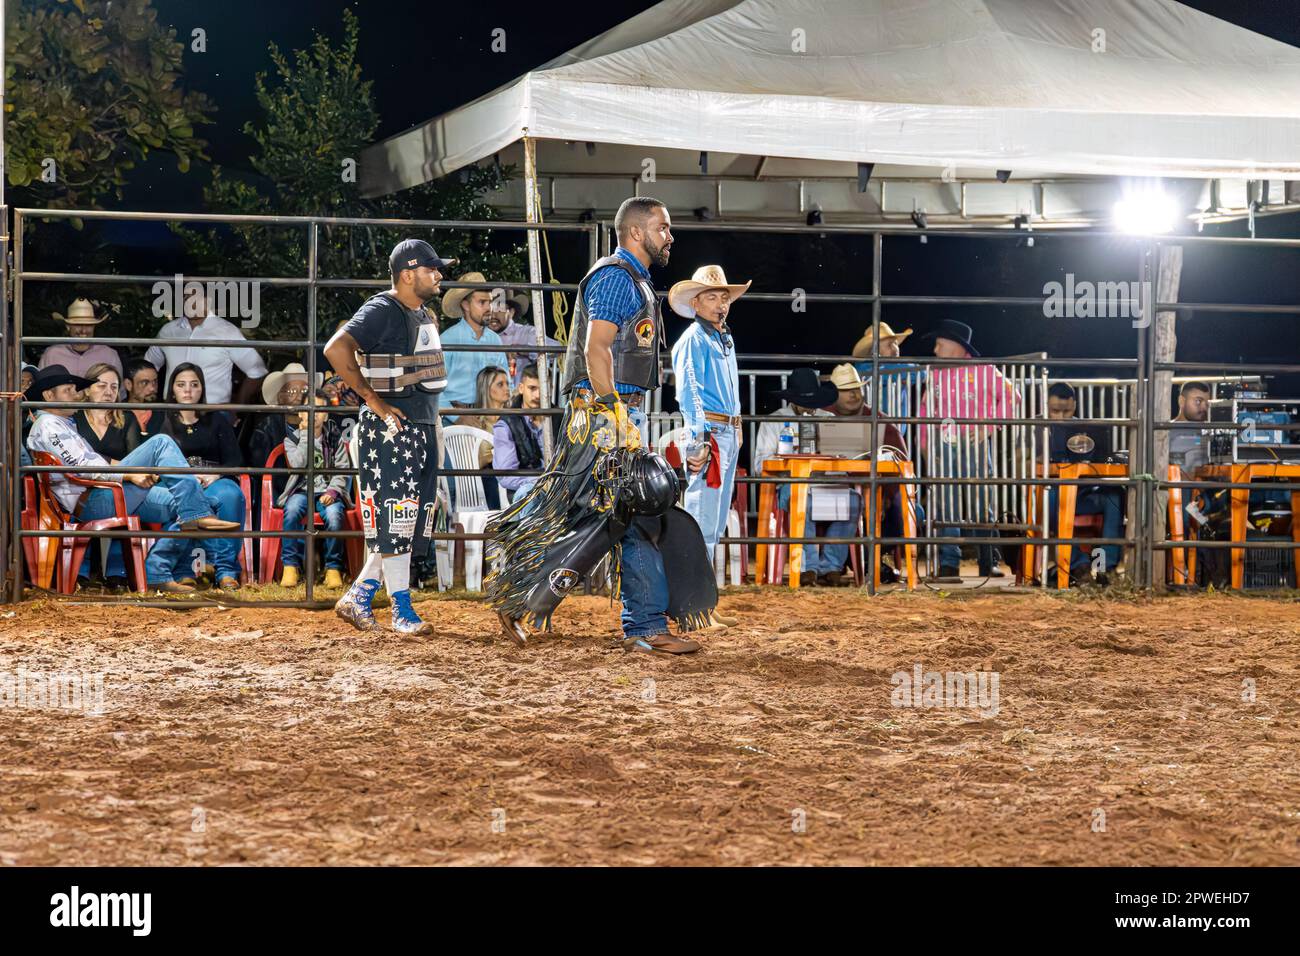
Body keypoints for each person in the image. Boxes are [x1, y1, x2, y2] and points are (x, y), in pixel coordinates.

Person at [487, 196, 718, 654]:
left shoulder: (632, 280)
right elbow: (598, 348)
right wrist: (613, 411)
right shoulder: (616, 278)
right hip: (604, 410)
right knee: (626, 505)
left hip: (608, 409)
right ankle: (640, 624)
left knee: (615, 508)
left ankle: (635, 622)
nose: (670, 236)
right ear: (637, 232)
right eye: (663, 227)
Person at [324, 237, 457, 636]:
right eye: (431, 269)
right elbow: (336, 348)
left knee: (409, 519)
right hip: (393, 430)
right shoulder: (383, 308)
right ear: (406, 274)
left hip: (418, 424)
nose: (438, 275)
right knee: (398, 517)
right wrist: (373, 401)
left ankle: (361, 595)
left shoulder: (421, 313)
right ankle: (401, 609)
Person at [24, 365, 239, 594]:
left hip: (101, 491)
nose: (76, 394)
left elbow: (88, 464)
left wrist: (128, 473)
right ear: (49, 395)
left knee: (201, 502)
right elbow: (82, 467)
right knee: (161, 443)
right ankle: (193, 522)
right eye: (68, 390)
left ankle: (157, 570)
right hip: (92, 500)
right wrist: (128, 473)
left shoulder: (60, 424)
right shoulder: (48, 425)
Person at [920, 319, 1018, 581]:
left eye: (940, 344)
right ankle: (949, 563)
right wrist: (925, 443)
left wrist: (988, 425)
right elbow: (926, 407)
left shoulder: (985, 370)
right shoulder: (936, 373)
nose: (935, 350)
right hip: (944, 439)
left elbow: (1012, 396)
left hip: (972, 440)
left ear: (955, 346)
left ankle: (988, 561)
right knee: (945, 502)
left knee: (981, 500)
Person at [668, 265, 748, 563]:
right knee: (702, 519)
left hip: (725, 431)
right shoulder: (694, 340)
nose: (721, 304)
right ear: (696, 303)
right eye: (712, 297)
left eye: (724, 298)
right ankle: (693, 603)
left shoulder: (722, 339)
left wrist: (736, 425)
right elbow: (690, 393)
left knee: (712, 522)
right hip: (711, 434)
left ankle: (701, 603)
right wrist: (699, 440)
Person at [159, 363, 248, 591]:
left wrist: (214, 475)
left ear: (202, 389)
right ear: (172, 390)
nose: (188, 390)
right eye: (181, 385)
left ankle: (226, 571)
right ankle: (183, 571)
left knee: (231, 495)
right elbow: (158, 460)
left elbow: (235, 459)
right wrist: (186, 477)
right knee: (179, 501)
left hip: (214, 479)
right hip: (180, 481)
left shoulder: (217, 419)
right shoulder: (163, 421)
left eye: (194, 385)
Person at [71, 363, 142, 590]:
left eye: (114, 386)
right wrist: (112, 463)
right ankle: (81, 572)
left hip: (119, 485)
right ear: (88, 389)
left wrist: (118, 472)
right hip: (82, 487)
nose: (109, 391)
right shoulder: (75, 418)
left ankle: (117, 572)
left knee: (131, 499)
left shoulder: (127, 418)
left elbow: (135, 461)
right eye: (101, 385)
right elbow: (75, 456)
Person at [1045, 382, 1124, 584]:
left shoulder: (1087, 429)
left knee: (1114, 495)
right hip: (1051, 493)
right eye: (1055, 411)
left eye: (1067, 411)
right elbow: (1022, 462)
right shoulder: (1035, 427)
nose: (1062, 417)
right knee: (1051, 497)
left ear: (1075, 405)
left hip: (1084, 494)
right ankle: (1078, 565)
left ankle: (1104, 567)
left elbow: (1103, 459)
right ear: (1045, 406)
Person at [278, 391, 352, 590]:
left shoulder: (334, 438)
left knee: (335, 515)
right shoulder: (292, 438)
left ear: (326, 415)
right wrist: (305, 435)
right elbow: (298, 465)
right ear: (301, 413)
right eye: (309, 408)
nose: (314, 413)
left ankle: (333, 568)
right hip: (301, 491)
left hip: (327, 491)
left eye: (319, 409)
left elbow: (342, 469)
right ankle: (291, 566)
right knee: (292, 511)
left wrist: (333, 491)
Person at [144, 293, 269, 410]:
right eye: (186, 297)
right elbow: (148, 366)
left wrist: (236, 409)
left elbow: (257, 372)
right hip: (172, 412)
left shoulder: (227, 332)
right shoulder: (168, 331)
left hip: (213, 413)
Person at [247, 363, 323, 514]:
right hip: (279, 490)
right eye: (292, 391)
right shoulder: (268, 426)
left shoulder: (321, 423)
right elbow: (260, 468)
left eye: (305, 391)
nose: (299, 396)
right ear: (280, 397)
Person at [439, 272, 509, 421]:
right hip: (452, 419)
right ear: (466, 305)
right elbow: (433, 388)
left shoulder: (495, 340)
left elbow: (506, 379)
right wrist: (457, 416)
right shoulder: (447, 340)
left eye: (490, 302)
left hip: (489, 418)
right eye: (482, 303)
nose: (489, 308)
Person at [852, 322, 919, 453]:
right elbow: (917, 372)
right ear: (874, 350)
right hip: (869, 438)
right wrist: (899, 373)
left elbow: (920, 373)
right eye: (889, 344)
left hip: (894, 437)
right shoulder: (864, 367)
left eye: (895, 343)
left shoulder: (899, 368)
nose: (896, 348)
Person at [452, 365, 510, 510]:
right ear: (487, 389)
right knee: (489, 476)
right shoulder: (476, 422)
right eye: (500, 384)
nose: (507, 388)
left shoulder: (513, 418)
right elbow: (471, 463)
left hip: (508, 476)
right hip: (482, 481)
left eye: (507, 384)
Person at [492, 363, 551, 501]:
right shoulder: (506, 424)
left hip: (559, 487)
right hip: (525, 491)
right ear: (521, 388)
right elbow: (506, 475)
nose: (537, 395)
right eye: (532, 388)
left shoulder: (559, 417)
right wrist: (541, 482)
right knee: (528, 492)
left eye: (543, 389)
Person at [485, 289, 560, 392]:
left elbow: (557, 349)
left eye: (499, 309)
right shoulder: (481, 336)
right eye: (489, 309)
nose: (493, 316)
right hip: (488, 399)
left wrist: (527, 350)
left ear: (511, 312)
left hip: (520, 401)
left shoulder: (527, 333)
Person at [37, 299, 123, 378]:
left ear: (94, 326)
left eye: (89, 325)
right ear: (68, 326)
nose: (83, 330)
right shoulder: (51, 354)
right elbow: (40, 390)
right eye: (78, 324)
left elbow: (119, 392)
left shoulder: (109, 355)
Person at [1169, 380, 1211, 472]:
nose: (1204, 407)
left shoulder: (1212, 431)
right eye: (1198, 401)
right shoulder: (1164, 430)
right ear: (1182, 401)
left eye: (1207, 403)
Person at [122, 358, 160, 437]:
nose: (152, 388)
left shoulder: (165, 413)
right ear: (128, 384)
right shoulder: (116, 413)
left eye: (155, 382)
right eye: (145, 383)